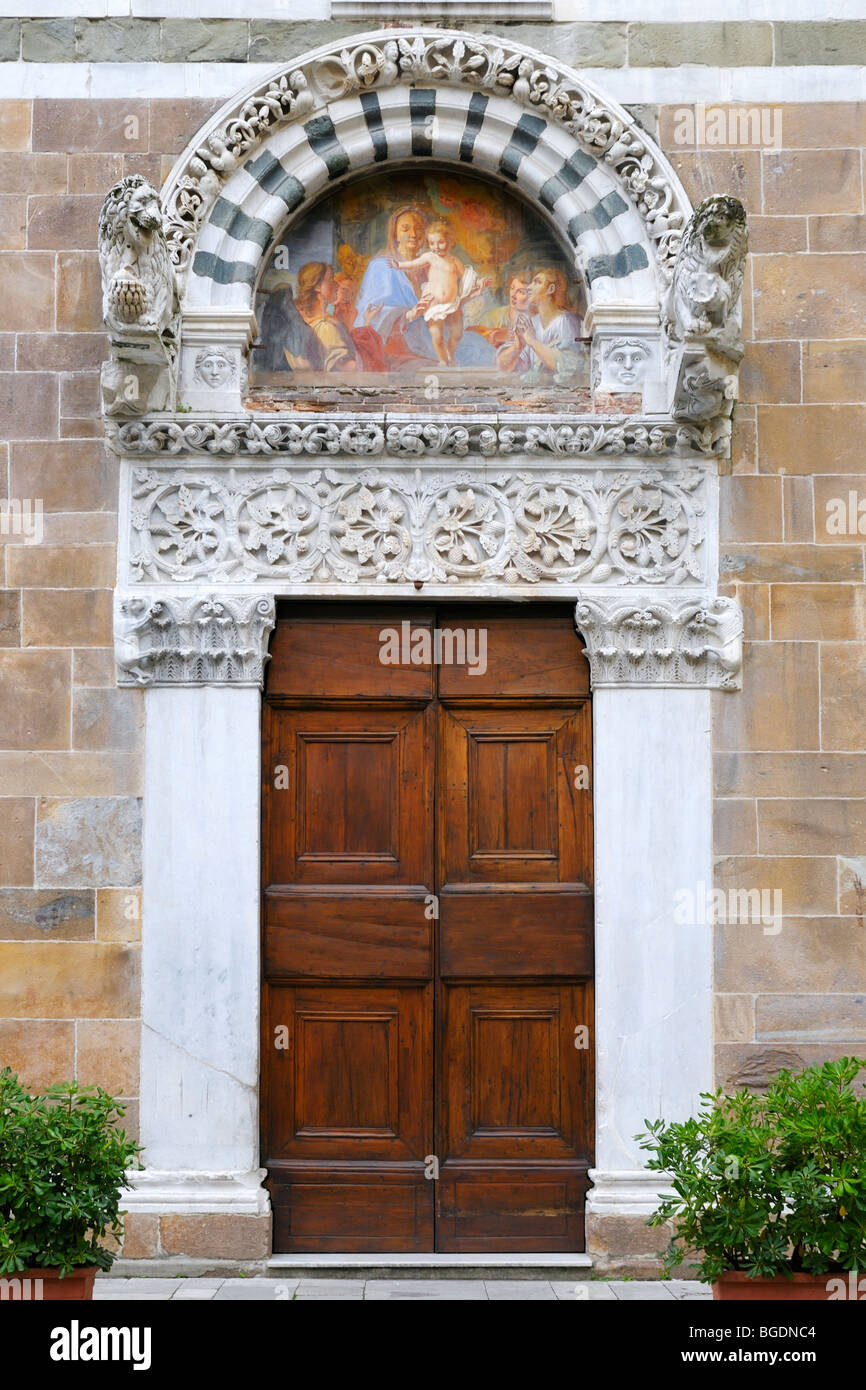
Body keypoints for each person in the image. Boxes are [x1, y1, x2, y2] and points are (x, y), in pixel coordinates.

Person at [397, 220, 490, 365]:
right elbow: (413, 264)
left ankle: (450, 355)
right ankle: (443, 361)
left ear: (450, 242)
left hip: (452, 305)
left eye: (440, 242)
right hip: (434, 304)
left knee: (457, 335)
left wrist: (479, 283)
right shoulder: (430, 258)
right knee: (437, 336)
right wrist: (399, 265)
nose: (436, 247)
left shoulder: (454, 261)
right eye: (432, 243)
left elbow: (466, 276)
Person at [497, 267, 583, 383]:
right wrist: (517, 347)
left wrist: (531, 341)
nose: (529, 287)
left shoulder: (567, 322)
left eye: (537, 282)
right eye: (531, 282)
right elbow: (503, 366)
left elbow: (566, 365)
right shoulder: (532, 323)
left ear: (550, 289)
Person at [295, 262, 361, 373]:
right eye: (330, 279)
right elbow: (348, 368)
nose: (337, 285)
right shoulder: (325, 327)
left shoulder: (319, 321)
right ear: (317, 286)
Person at [478, 271, 532, 348]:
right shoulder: (492, 317)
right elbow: (476, 341)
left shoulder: (535, 321)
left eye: (520, 292)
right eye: (512, 288)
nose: (513, 295)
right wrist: (495, 336)